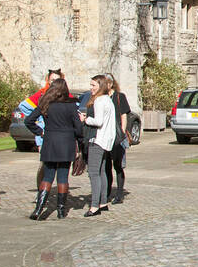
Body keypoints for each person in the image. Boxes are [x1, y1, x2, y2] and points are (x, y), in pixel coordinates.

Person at [24, 79, 82, 220]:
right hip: (66, 143)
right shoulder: (71, 105)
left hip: (50, 142)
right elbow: (79, 128)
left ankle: (38, 209)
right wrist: (79, 141)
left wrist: (40, 132)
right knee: (63, 177)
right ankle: (61, 211)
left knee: (48, 176)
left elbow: (28, 120)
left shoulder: (45, 103)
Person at [81, 74, 116, 218]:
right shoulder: (107, 99)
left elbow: (99, 121)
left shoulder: (100, 100)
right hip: (106, 140)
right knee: (102, 171)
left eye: (93, 85)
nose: (91, 88)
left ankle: (95, 206)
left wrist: (86, 119)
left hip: (98, 140)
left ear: (100, 86)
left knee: (93, 173)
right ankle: (103, 202)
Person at [103, 72, 131, 204]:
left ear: (110, 84)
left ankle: (119, 194)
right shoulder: (102, 98)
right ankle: (107, 192)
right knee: (106, 165)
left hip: (117, 135)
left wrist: (122, 132)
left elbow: (124, 115)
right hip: (105, 135)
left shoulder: (120, 96)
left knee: (118, 165)